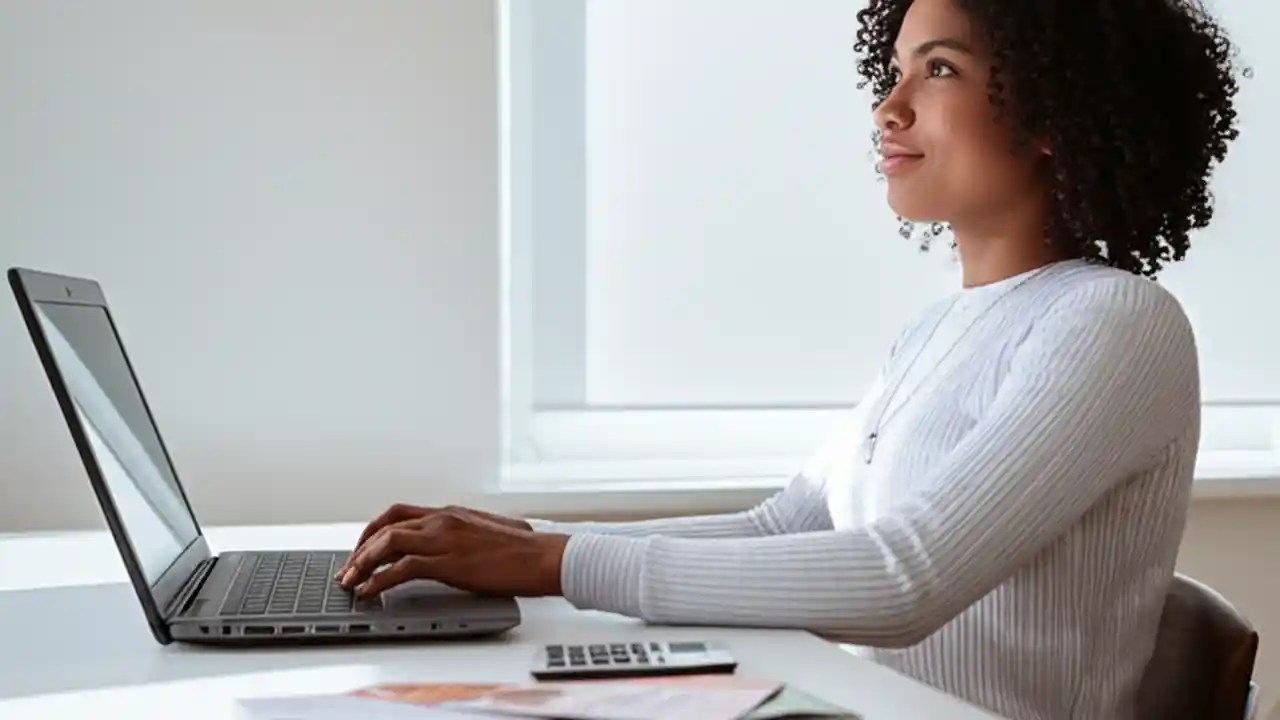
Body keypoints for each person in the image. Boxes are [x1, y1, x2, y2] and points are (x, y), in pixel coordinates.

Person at [335, 0, 1242, 717]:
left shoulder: (1119, 321)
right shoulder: (932, 333)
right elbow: (787, 528)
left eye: (940, 70)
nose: (889, 108)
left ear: (1056, 110)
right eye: (896, 71)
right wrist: (517, 542)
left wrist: (557, 564)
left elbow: (904, 579)